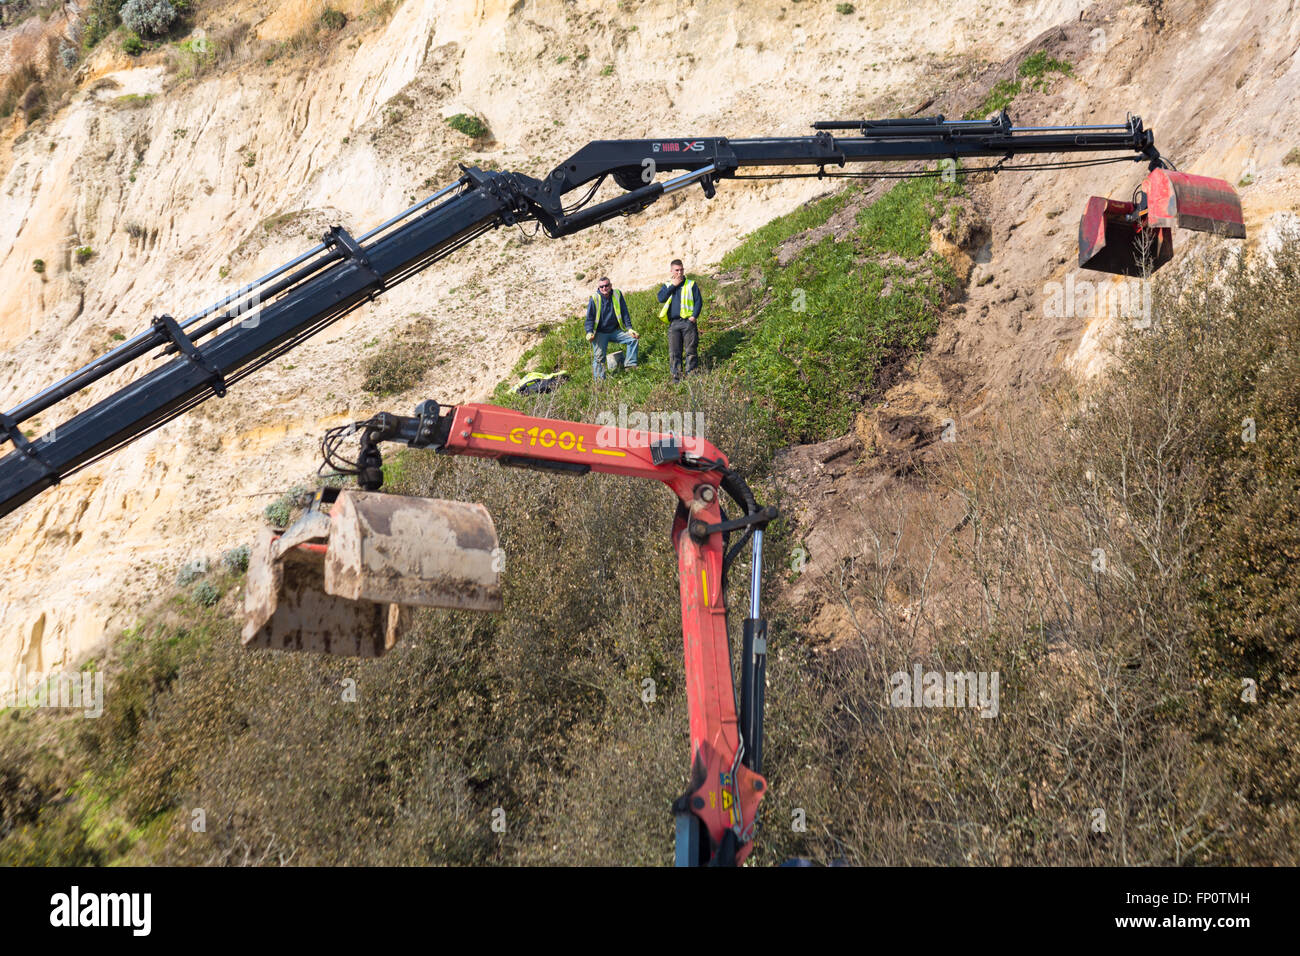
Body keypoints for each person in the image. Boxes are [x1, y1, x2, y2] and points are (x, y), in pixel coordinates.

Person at [585, 277, 639, 380]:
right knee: (599, 357)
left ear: (611, 285)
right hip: (600, 333)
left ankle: (630, 366)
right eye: (601, 286)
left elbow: (624, 312)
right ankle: (599, 381)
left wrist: (629, 328)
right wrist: (589, 332)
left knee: (633, 339)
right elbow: (590, 318)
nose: (604, 288)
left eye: (606, 285)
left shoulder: (617, 294)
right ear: (599, 287)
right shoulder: (595, 298)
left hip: (615, 331)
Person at [657, 258, 702, 381]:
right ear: (671, 271)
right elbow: (661, 298)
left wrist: (694, 316)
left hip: (688, 322)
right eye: (677, 270)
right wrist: (673, 285)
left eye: (681, 269)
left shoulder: (691, 284)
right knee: (674, 352)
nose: (680, 272)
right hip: (674, 323)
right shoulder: (667, 285)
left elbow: (698, 301)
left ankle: (691, 375)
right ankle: (676, 378)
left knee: (691, 350)